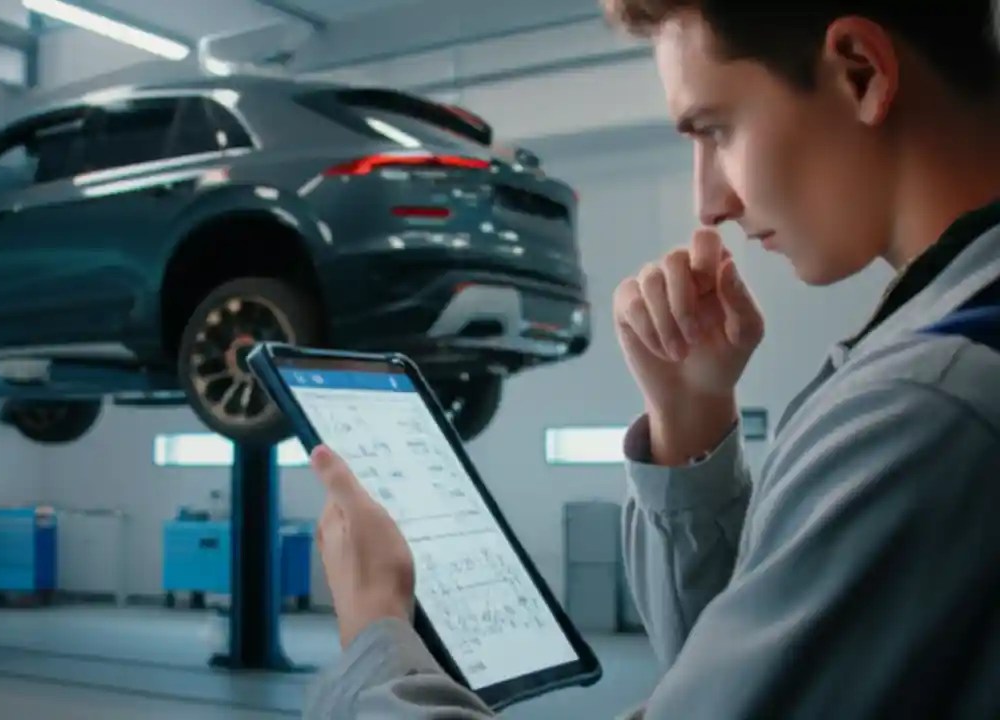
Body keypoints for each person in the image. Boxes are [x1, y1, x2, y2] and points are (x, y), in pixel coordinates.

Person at [300, 2, 1000, 718]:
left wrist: (377, 642)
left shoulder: (927, 409)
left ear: (860, 72)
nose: (709, 202)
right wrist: (689, 416)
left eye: (717, 130)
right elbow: (750, 677)